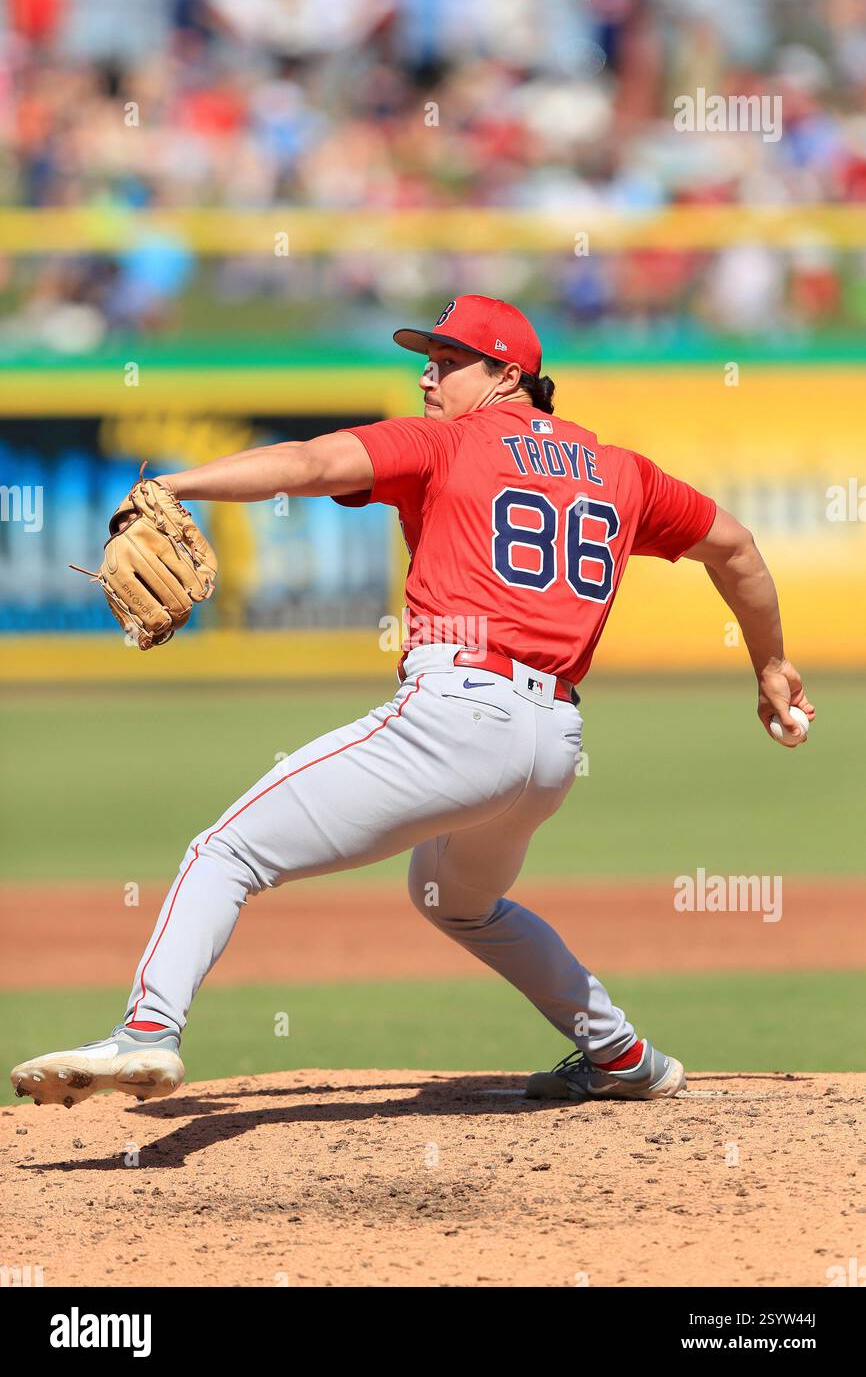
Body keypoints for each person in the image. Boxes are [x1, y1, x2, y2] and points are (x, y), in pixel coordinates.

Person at [11, 294, 815, 1109]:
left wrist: (173, 486)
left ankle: (147, 1033)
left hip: (458, 714)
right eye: (425, 359)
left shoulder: (441, 444)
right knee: (455, 899)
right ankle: (623, 1057)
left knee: (225, 853)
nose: (428, 376)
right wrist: (771, 665)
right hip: (552, 745)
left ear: (509, 375)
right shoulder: (623, 471)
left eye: (450, 361)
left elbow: (308, 464)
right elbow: (737, 547)